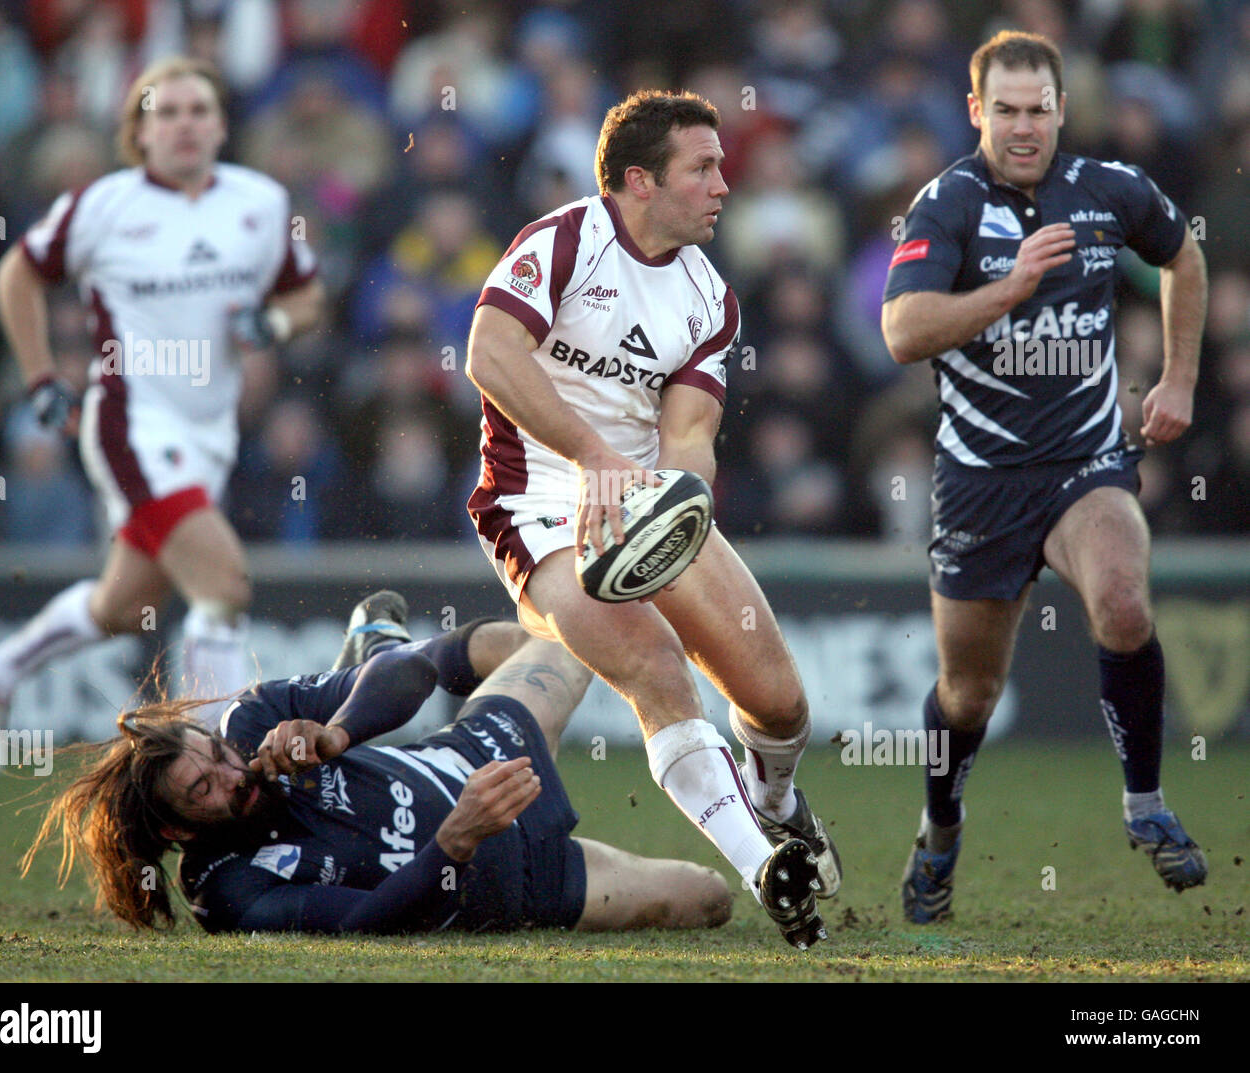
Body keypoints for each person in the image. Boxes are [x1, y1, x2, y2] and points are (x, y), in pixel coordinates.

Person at [464, 90, 841, 949]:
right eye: (702, 167)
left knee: (779, 704)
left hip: (641, 499)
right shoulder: (561, 242)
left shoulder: (711, 298)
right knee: (655, 664)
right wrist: (595, 456)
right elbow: (488, 353)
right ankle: (763, 867)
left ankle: (776, 804)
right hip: (537, 505)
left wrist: (671, 499)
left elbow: (691, 435)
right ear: (640, 180)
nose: (723, 184)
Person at [880, 31, 1209, 923]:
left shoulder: (1110, 191)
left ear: (1063, 109)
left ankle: (1145, 805)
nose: (1026, 128)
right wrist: (1009, 290)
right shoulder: (944, 205)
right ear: (977, 111)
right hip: (982, 479)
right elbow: (903, 333)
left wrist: (1178, 378)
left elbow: (1183, 256)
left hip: (1085, 462)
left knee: (1126, 603)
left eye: (1041, 110)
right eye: (1008, 111)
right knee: (970, 693)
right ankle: (940, 830)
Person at [0, 56, 324, 733]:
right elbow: (17, 276)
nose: (185, 125)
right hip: (133, 424)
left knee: (127, 603)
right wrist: (41, 376)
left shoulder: (260, 204)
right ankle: (220, 756)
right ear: (140, 131)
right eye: (168, 112)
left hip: (211, 433)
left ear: (221, 127)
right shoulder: (103, 206)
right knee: (224, 585)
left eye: (199, 110)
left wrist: (271, 322)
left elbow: (307, 294)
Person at [23, 591, 732, 936]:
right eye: (203, 789)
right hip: (516, 883)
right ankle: (354, 665)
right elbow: (366, 925)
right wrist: (456, 839)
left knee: (573, 629)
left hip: (474, 750)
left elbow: (413, 672)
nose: (232, 776)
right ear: (178, 833)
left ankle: (359, 666)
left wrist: (336, 733)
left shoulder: (254, 724)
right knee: (710, 899)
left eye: (216, 757)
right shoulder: (230, 889)